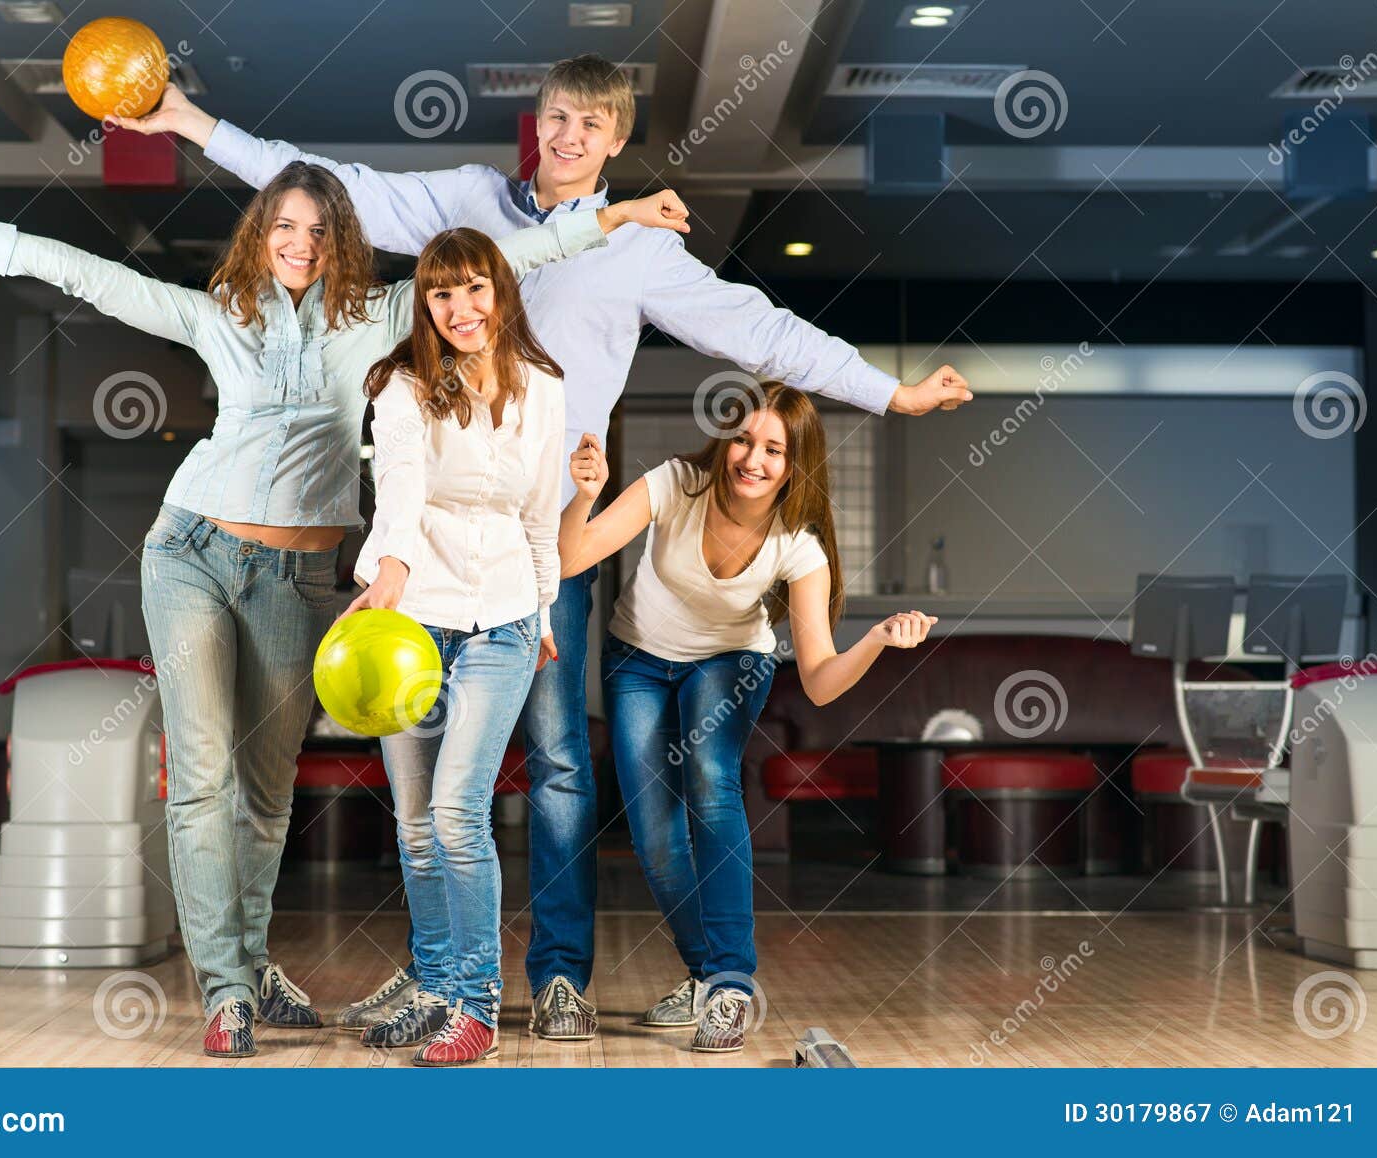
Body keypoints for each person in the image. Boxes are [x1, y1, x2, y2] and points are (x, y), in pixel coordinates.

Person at [118, 54, 971, 1040]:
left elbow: (761, 331)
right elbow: (337, 188)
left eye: (591, 125)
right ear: (538, 122)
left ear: (616, 141)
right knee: (417, 761)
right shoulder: (473, 203)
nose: (569, 136)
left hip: (546, 533)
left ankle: (557, 974)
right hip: (430, 529)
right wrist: (187, 121)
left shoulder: (639, 253)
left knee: (559, 756)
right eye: (557, 117)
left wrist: (892, 393)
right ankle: (438, 972)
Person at [0, 169, 686, 1059]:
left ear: (340, 238)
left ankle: (256, 963)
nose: (298, 243)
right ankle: (226, 991)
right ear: (258, 235)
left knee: (267, 791)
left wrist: (619, 215)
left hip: (301, 575)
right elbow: (87, 275)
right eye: (282, 226)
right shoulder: (215, 313)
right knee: (199, 777)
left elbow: (513, 258)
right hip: (190, 549)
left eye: (316, 229)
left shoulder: (383, 318)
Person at [559, 381, 936, 1052]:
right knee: (652, 834)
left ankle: (730, 984)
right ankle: (706, 974)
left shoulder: (799, 545)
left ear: (796, 464)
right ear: (723, 437)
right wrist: (585, 496)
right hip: (638, 659)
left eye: (773, 449)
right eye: (742, 439)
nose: (751, 460)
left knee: (710, 775)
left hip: (730, 663)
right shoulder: (678, 484)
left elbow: (819, 682)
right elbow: (571, 558)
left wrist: (876, 640)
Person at [345, 223, 619, 1066]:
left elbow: (540, 517)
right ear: (426, 305)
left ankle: (476, 1005)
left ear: (500, 291)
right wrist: (389, 573)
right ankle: (433, 988)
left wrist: (540, 615)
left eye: (473, 288)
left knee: (459, 813)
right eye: (441, 293)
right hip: (411, 618)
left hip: (503, 620)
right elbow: (399, 488)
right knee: (417, 825)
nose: (460, 308)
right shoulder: (401, 386)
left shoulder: (543, 387)